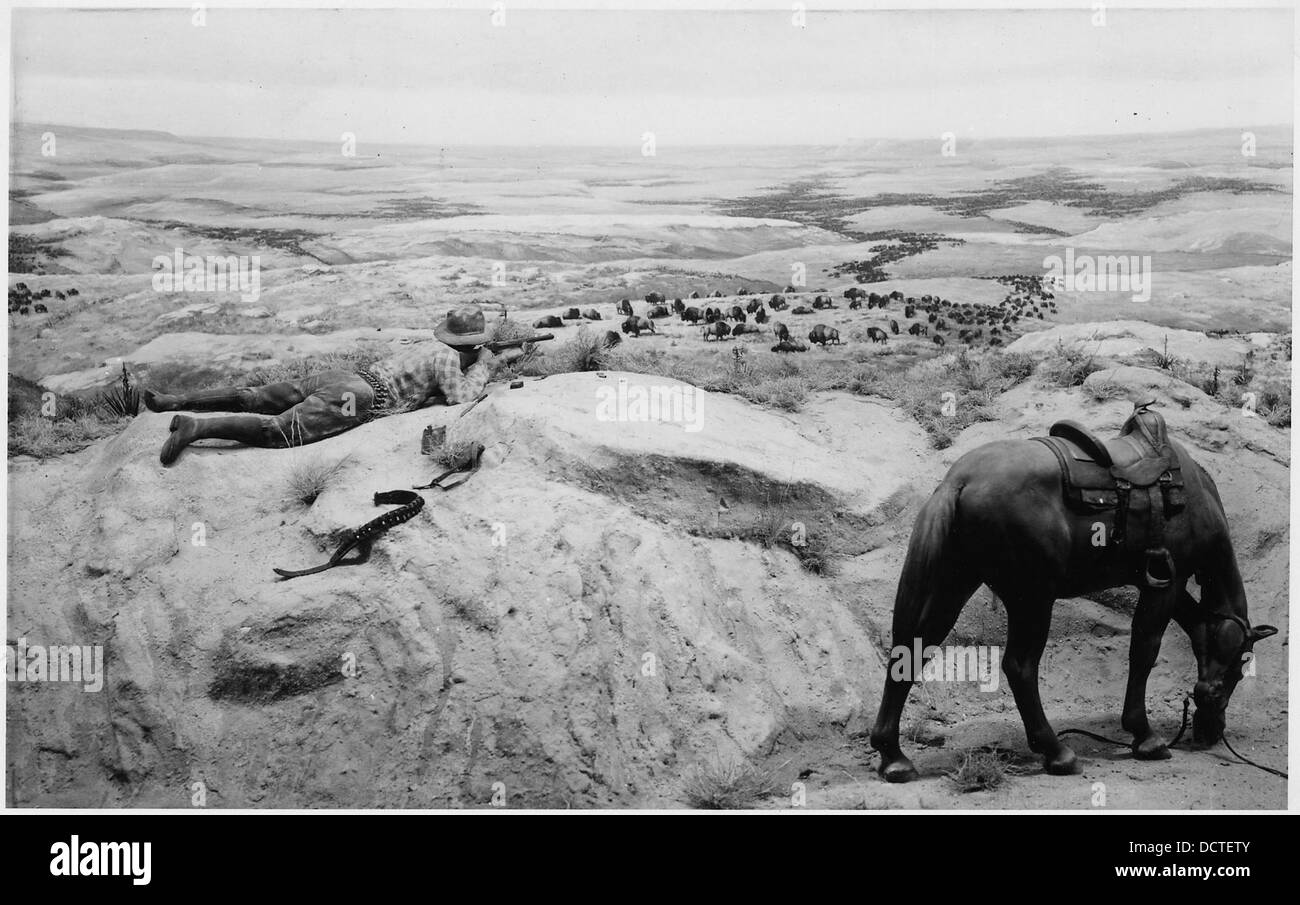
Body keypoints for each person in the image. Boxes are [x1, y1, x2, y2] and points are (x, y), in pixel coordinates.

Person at [146, 305, 522, 466]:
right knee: (279, 430)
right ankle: (196, 427)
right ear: (473, 343)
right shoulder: (447, 358)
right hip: (358, 397)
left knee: (257, 396)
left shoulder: (430, 346)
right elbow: (458, 397)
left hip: (345, 379)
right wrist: (486, 368)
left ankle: (172, 401)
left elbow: (434, 385)